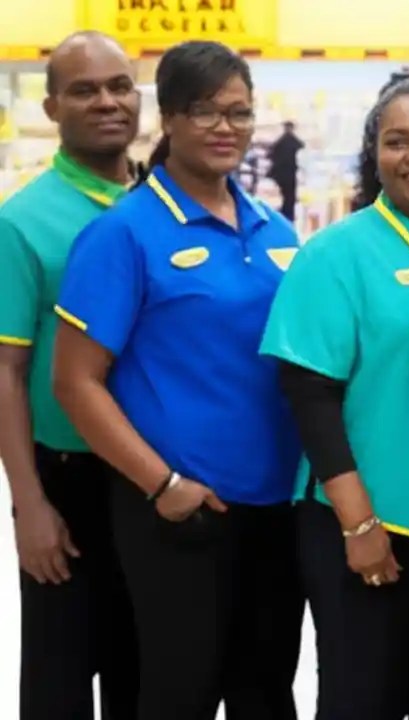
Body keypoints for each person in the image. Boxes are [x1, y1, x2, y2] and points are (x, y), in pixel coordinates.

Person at [51, 40, 303, 720]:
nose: (226, 128)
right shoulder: (123, 234)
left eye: (240, 112)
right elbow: (75, 383)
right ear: (168, 117)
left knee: (267, 691)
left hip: (277, 509)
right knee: (178, 692)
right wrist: (162, 485)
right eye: (205, 112)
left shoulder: (274, 228)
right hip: (180, 513)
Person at [261, 74, 409, 720]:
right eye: (398, 141)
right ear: (375, 155)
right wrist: (358, 526)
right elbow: (308, 395)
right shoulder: (337, 253)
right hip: (366, 527)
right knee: (364, 699)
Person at [0, 30, 140, 720]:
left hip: (150, 475)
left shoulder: (161, 207)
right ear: (52, 107)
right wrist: (28, 505)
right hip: (70, 477)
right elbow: (7, 369)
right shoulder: (23, 222)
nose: (107, 102)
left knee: (141, 664)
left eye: (119, 86)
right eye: (84, 90)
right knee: (59, 671)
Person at [268, 119, 304, 221]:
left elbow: (271, 153)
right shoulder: (290, 140)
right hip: (289, 173)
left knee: (287, 196)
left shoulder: (282, 141)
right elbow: (301, 145)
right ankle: (288, 214)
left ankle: (286, 214)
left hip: (283, 174)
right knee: (289, 196)